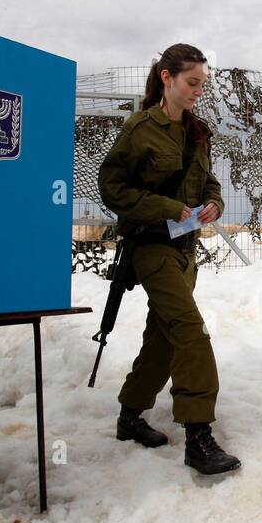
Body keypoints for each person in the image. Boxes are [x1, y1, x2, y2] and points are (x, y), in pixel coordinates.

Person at [97, 43, 241, 475]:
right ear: (167, 78)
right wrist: (163, 207)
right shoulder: (140, 129)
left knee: (163, 337)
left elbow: (209, 182)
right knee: (190, 332)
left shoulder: (197, 132)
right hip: (151, 248)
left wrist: (213, 203)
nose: (199, 90)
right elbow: (112, 188)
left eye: (203, 83)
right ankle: (199, 437)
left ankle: (129, 415)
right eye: (191, 82)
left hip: (185, 251)